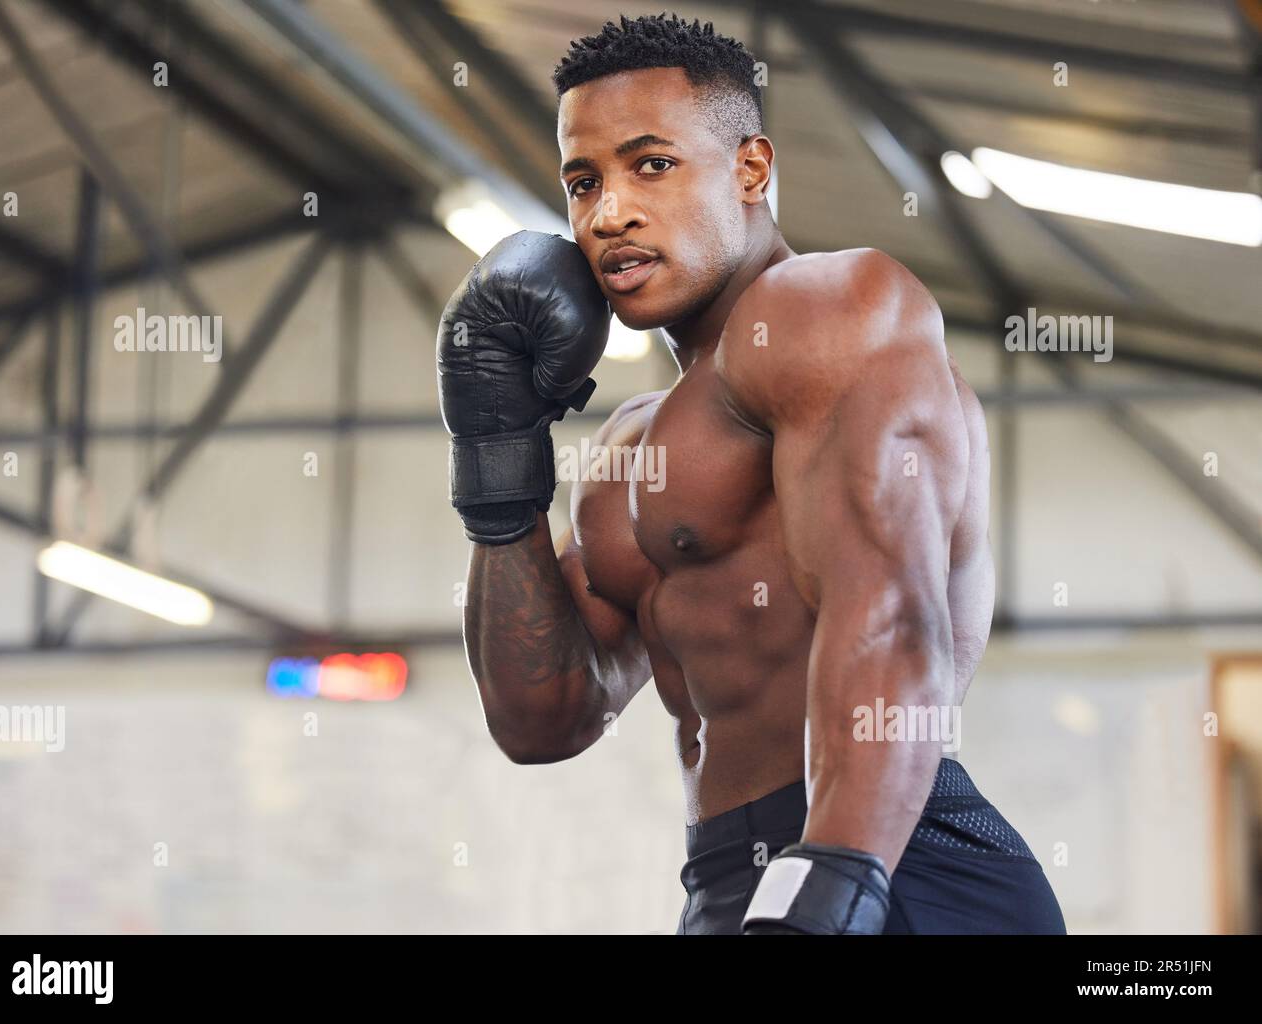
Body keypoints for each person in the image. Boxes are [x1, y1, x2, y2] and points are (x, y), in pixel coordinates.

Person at [436, 13, 1065, 935]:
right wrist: (498, 457)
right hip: (729, 876)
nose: (609, 213)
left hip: (898, 861)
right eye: (583, 181)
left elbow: (892, 612)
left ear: (751, 169)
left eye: (651, 164)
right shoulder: (627, 449)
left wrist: (838, 876)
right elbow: (544, 719)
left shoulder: (835, 308)